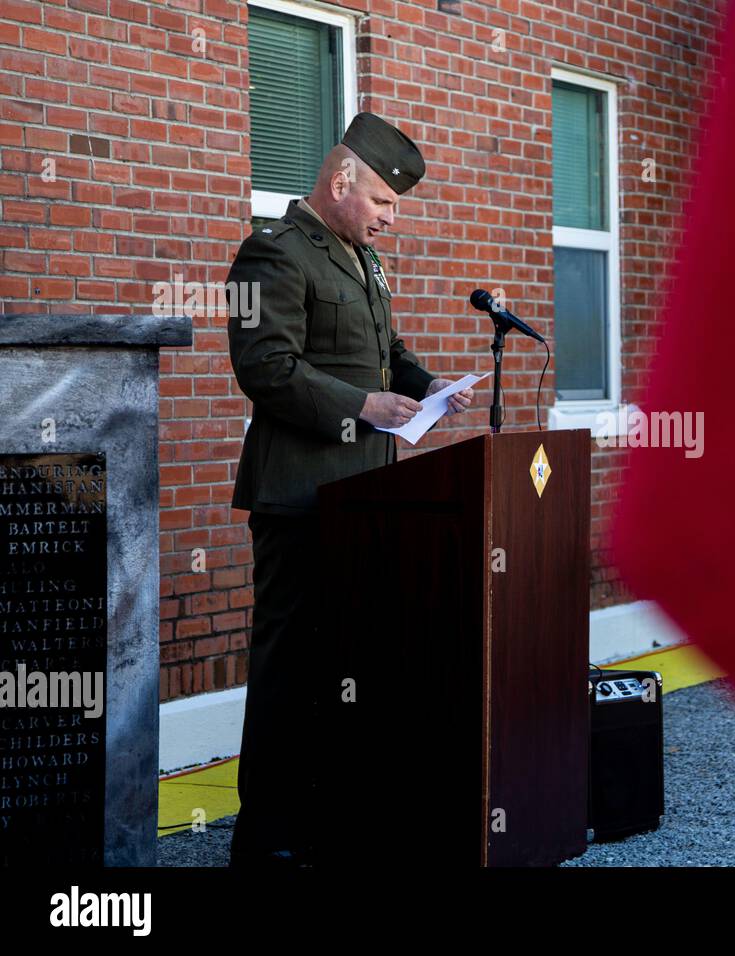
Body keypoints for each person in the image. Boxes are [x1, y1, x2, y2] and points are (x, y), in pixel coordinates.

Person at [223, 112, 474, 866]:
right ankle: (264, 837)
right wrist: (363, 406)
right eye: (384, 205)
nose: (391, 221)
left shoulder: (359, 259)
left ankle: (324, 819)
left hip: (367, 497)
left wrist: (430, 388)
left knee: (347, 663)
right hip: (300, 497)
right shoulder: (273, 255)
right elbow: (265, 367)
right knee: (288, 665)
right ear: (341, 183)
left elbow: (385, 352)